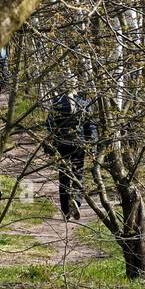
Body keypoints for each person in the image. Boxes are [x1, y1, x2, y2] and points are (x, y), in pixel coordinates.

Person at [46, 89, 96, 221]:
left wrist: (53, 141)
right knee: (78, 174)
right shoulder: (83, 103)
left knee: (63, 177)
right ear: (75, 88)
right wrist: (92, 147)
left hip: (62, 145)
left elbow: (49, 124)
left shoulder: (56, 103)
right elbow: (90, 127)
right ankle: (76, 202)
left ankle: (65, 211)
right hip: (78, 145)